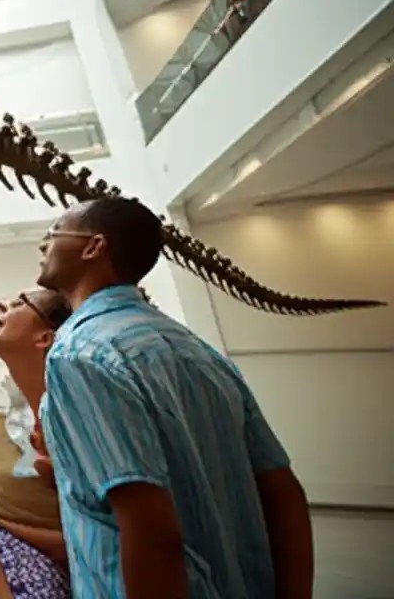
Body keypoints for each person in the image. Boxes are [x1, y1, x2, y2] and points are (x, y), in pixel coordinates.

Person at [36, 197, 313, 598]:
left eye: (53, 233)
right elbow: (283, 491)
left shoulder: (78, 354)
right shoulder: (201, 352)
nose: (44, 244)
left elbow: (150, 527)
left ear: (93, 246)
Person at [0, 288, 73, 599]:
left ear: (43, 338)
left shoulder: (82, 411)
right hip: (7, 559)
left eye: (19, 303)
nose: (0, 302)